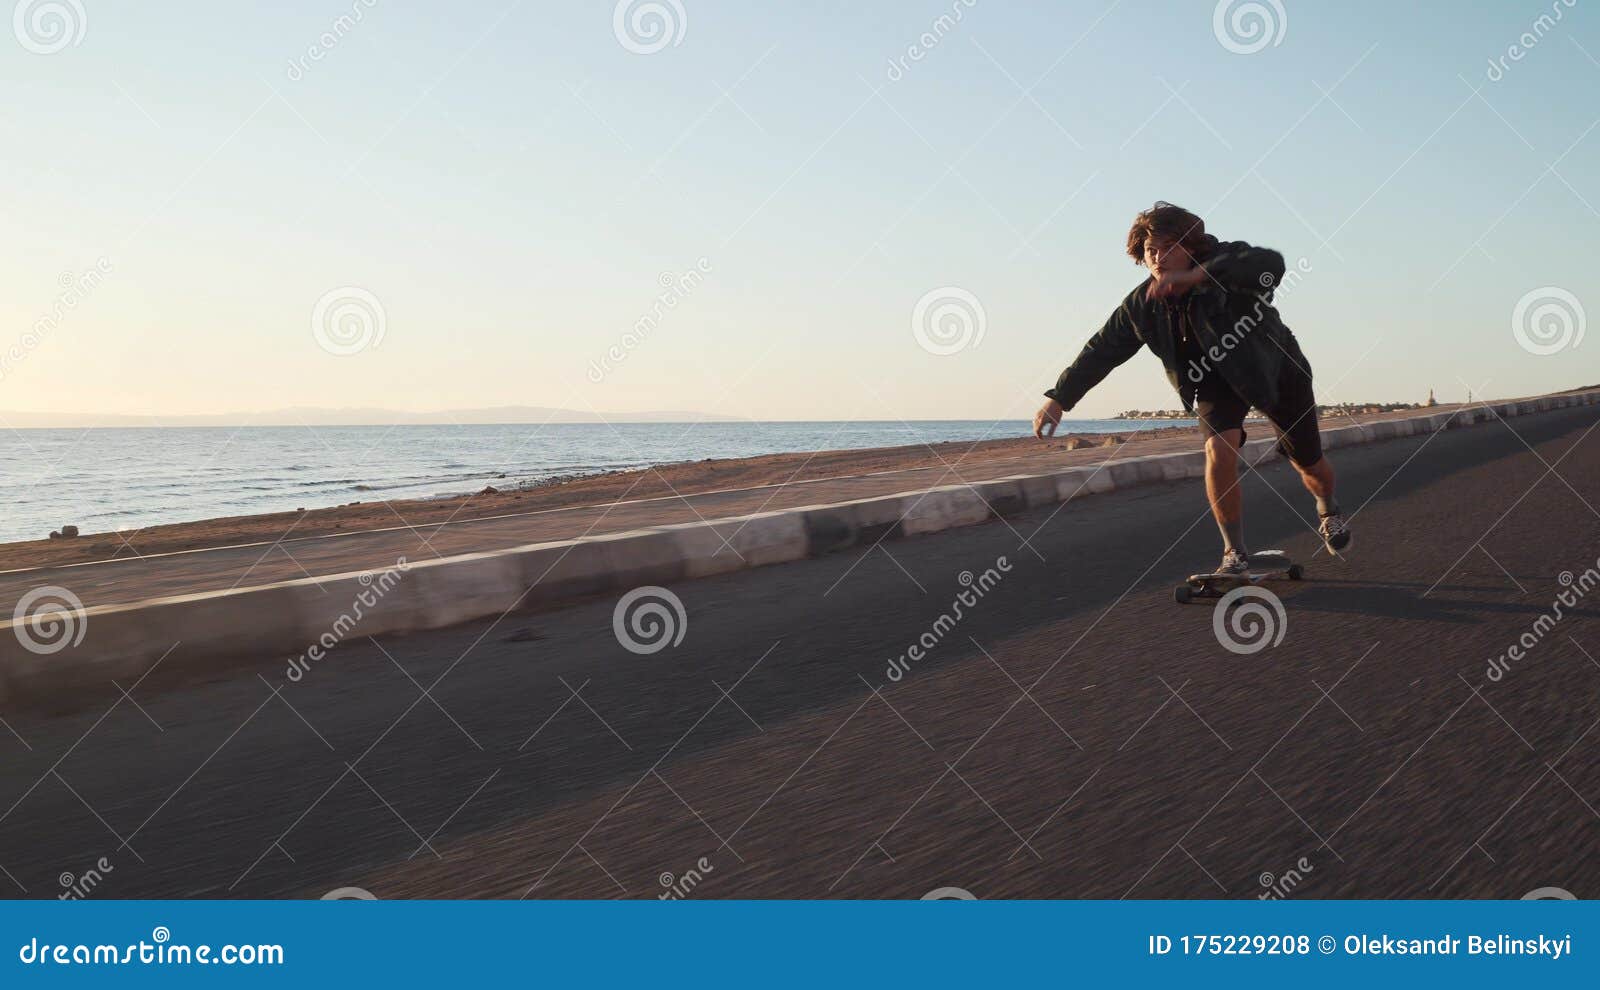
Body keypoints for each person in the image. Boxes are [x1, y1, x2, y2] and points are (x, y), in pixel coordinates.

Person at [1032, 202, 1351, 575]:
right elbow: (1102, 350)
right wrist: (1059, 398)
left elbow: (1271, 265)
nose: (1159, 257)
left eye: (1169, 247)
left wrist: (1197, 277)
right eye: (1151, 250)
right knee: (1218, 450)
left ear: (1190, 247)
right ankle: (1235, 553)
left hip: (1274, 365)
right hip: (1216, 380)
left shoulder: (1227, 262)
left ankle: (1328, 508)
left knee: (1309, 464)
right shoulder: (1142, 304)